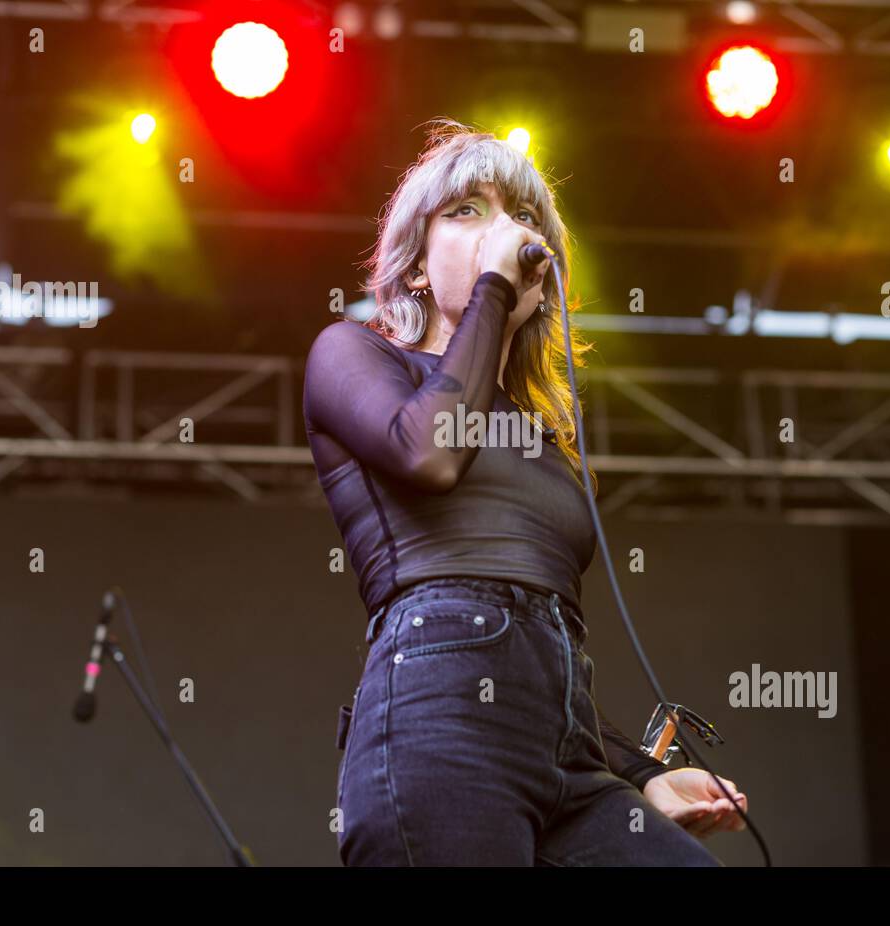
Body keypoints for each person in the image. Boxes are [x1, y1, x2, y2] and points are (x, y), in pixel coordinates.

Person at [304, 119, 748, 866]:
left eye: (520, 215)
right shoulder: (354, 355)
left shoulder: (543, 435)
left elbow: (538, 639)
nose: (503, 229)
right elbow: (430, 453)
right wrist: (492, 289)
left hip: (569, 753)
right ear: (414, 268)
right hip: (439, 722)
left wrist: (644, 777)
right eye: (467, 211)